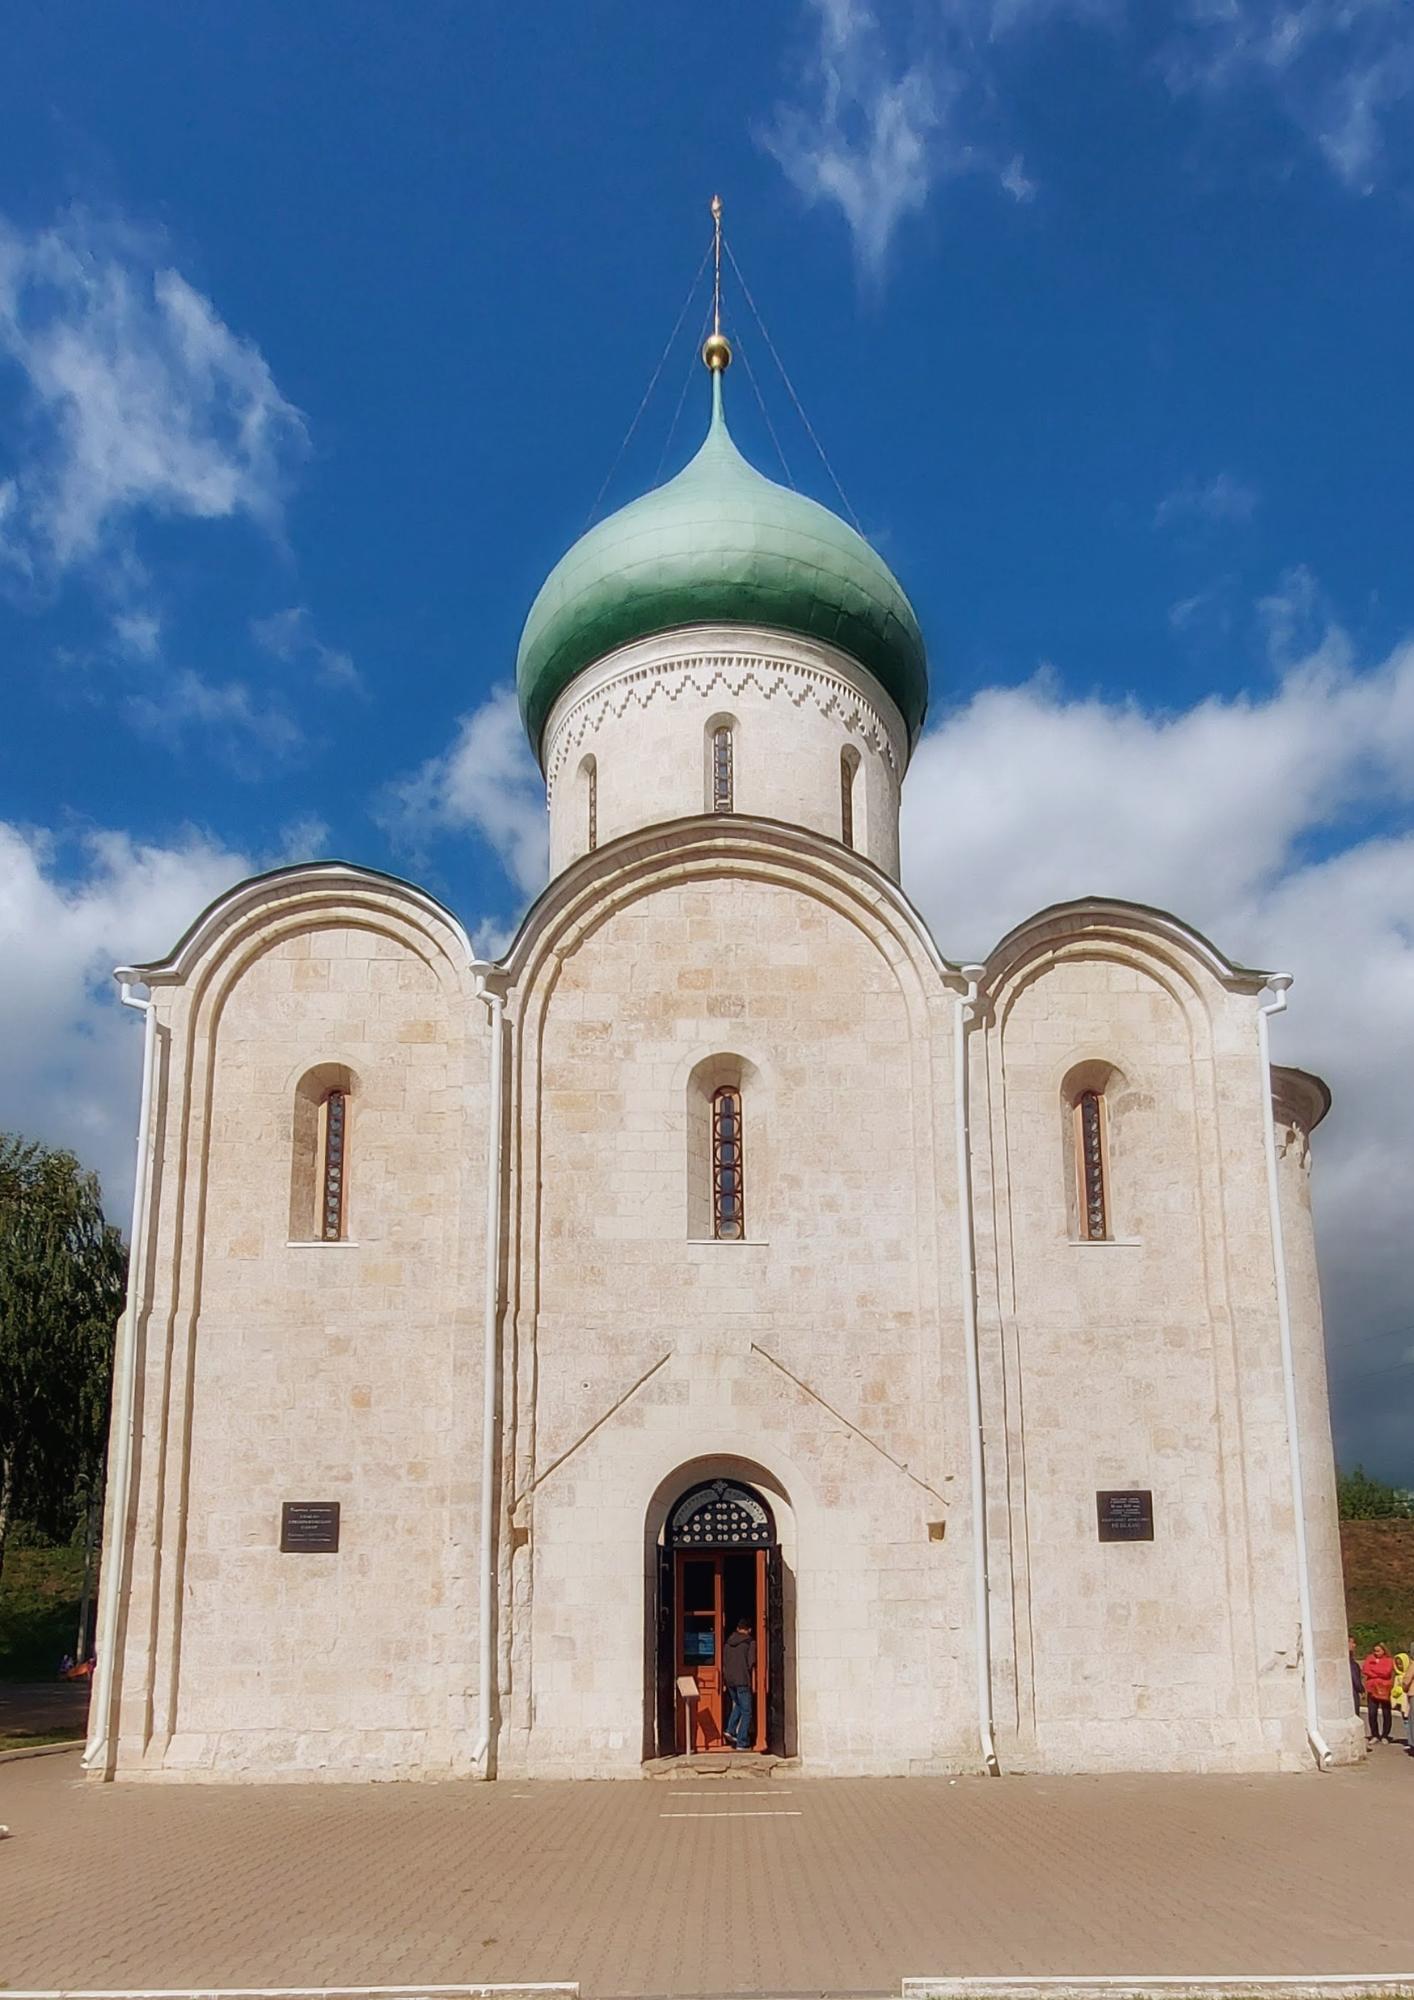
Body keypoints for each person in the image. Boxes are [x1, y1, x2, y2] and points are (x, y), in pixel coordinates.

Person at [721, 1616, 756, 1752]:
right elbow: (751, 1662)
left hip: (730, 1680)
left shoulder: (728, 1644)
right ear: (749, 1630)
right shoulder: (750, 1643)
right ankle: (742, 1742)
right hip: (742, 1679)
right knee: (747, 1711)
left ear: (737, 1629)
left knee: (739, 1706)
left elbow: (724, 1662)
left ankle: (730, 1730)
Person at [1363, 1642, 1396, 1742]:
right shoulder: (1370, 1658)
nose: (1376, 1653)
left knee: (1386, 1712)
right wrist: (1377, 1671)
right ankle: (1375, 1734)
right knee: (1372, 1713)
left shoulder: (1389, 1660)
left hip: (1384, 1689)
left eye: (1378, 1651)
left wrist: (1374, 1670)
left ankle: (1385, 1735)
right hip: (1372, 1688)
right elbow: (1365, 1670)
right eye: (1375, 1651)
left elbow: (1386, 1672)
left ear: (1383, 1650)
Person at [1350, 1636, 1364, 1719]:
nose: (1354, 1645)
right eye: (1352, 1642)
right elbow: (1354, 1676)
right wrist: (1361, 1689)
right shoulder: (1351, 1662)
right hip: (1352, 1692)